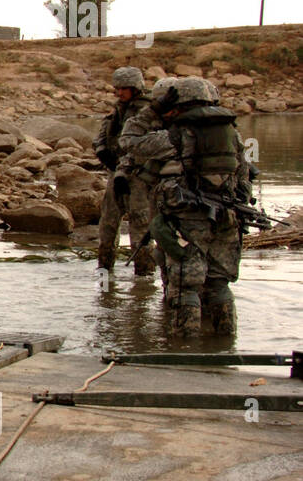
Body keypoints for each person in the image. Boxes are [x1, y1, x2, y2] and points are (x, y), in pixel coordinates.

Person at [123, 77, 249, 336]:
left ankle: (185, 348)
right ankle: (226, 345)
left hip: (187, 223)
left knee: (185, 287)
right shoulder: (232, 136)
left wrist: (153, 110)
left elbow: (128, 141)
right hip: (227, 220)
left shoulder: (173, 137)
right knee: (219, 285)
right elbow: (244, 181)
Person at [93, 67, 153, 274]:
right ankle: (105, 271)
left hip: (139, 176)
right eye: (117, 89)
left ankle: (144, 278)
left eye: (123, 89)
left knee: (140, 225)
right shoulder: (118, 110)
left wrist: (127, 165)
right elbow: (103, 134)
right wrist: (102, 150)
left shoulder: (148, 113)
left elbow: (147, 145)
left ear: (135, 88)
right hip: (115, 171)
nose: (119, 93)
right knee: (108, 223)